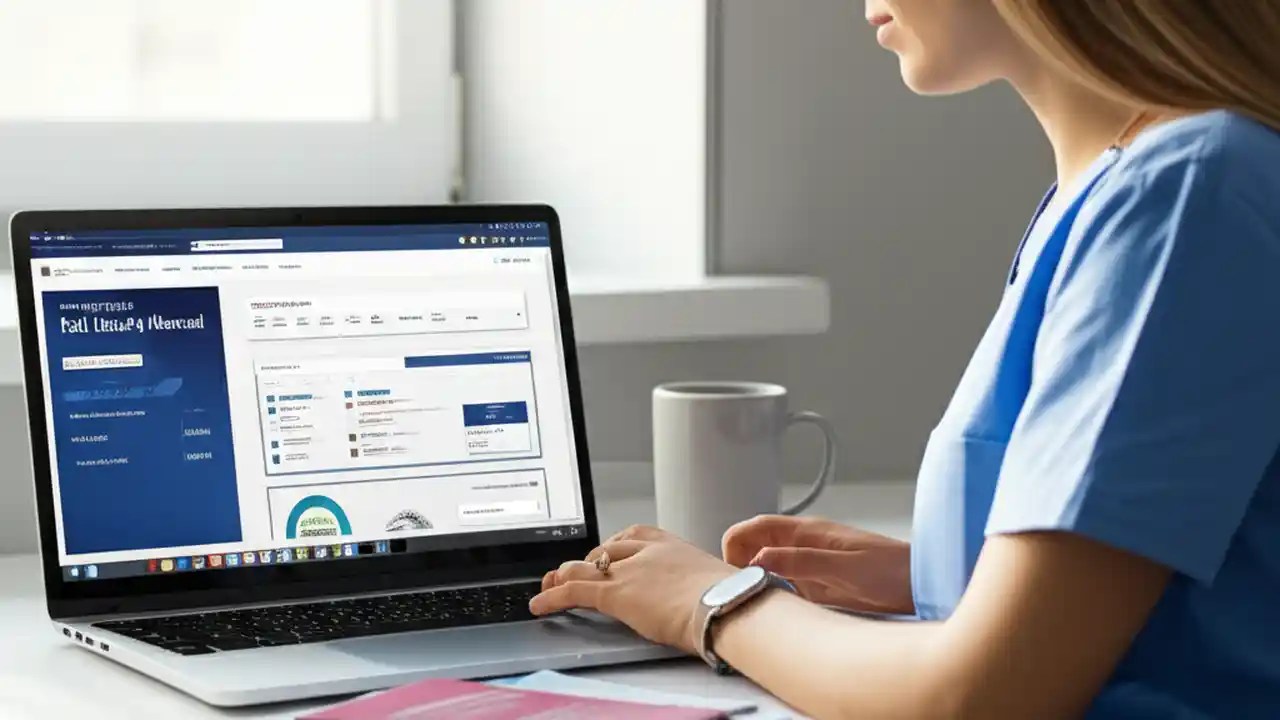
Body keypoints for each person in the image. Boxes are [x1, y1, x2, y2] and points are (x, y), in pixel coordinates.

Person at [531, 1, 1280, 718]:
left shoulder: (1185, 193)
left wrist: (710, 604)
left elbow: (985, 698)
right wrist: (937, 575)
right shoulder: (1122, 188)